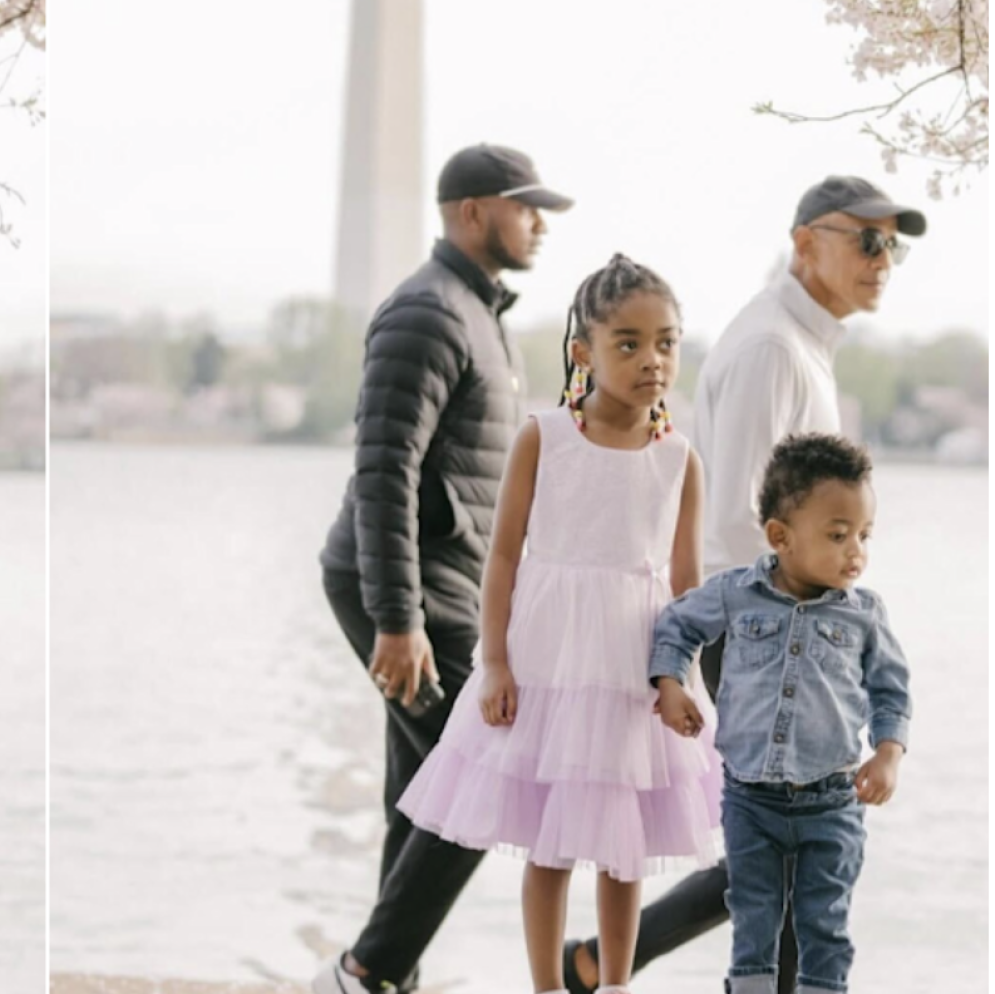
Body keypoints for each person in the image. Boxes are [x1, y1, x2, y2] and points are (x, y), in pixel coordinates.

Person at [561, 175, 927, 994]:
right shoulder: (771, 348)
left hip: (795, 625)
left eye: (893, 246)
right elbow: (743, 517)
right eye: (867, 239)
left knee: (787, 847)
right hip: (764, 631)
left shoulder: (799, 343)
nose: (883, 259)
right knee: (791, 851)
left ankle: (597, 962)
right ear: (805, 243)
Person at [392, 255, 722, 994]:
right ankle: (545, 986)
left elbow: (687, 588)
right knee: (552, 845)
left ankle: (615, 983)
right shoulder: (544, 439)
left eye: (666, 342)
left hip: (633, 670)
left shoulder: (679, 459)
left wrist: (678, 680)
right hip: (551, 665)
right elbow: (504, 557)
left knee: (625, 849)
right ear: (584, 351)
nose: (652, 360)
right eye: (629, 343)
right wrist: (495, 663)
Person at [313, 144, 572, 994]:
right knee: (493, 770)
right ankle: (365, 974)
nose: (539, 223)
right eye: (525, 206)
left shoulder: (480, 315)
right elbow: (382, 470)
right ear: (471, 211)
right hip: (403, 590)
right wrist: (399, 620)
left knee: (426, 788)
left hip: (450, 591)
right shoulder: (426, 314)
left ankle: (389, 975)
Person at [649, 433, 910, 994]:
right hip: (750, 800)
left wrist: (888, 754)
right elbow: (677, 624)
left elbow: (891, 691)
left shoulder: (865, 615)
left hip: (832, 802)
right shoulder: (736, 594)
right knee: (753, 921)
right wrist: (670, 684)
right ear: (779, 537)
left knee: (824, 926)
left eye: (864, 535)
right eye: (838, 535)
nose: (856, 551)